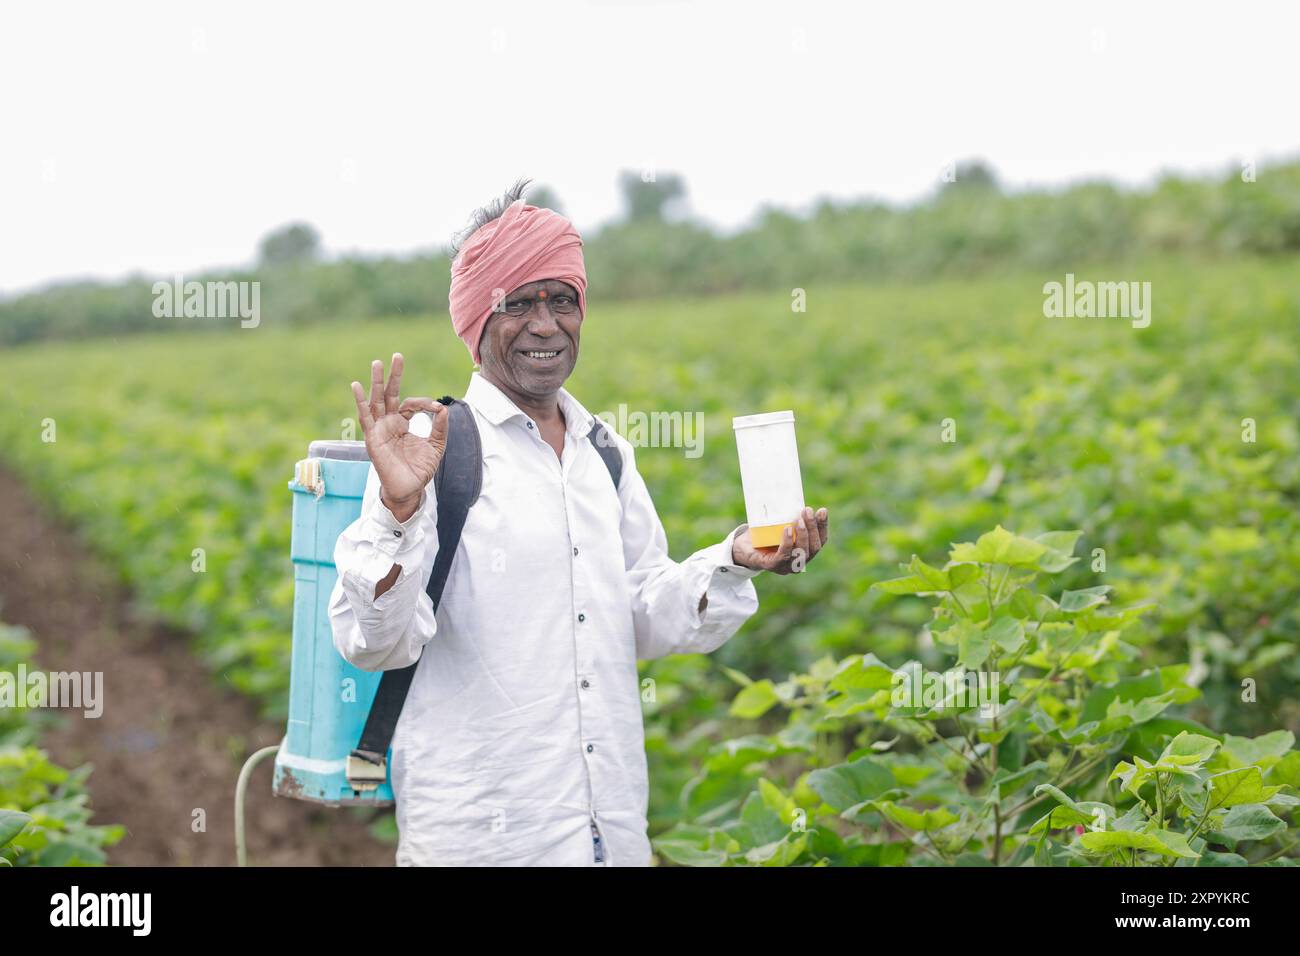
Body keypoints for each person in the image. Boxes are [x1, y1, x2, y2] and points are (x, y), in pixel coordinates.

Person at [329, 180, 830, 866]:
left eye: (561, 300)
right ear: (477, 324)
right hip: (483, 838)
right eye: (518, 304)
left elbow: (641, 612)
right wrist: (398, 510)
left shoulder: (604, 453)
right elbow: (376, 644)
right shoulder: (434, 449)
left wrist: (737, 556)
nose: (545, 324)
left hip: (608, 829)